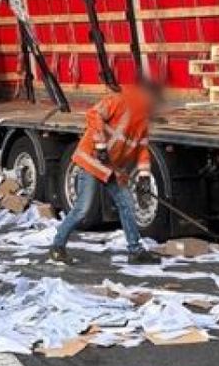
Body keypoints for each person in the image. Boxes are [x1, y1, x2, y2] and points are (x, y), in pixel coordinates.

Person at [49, 81, 163, 266]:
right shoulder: (118, 101)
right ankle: (57, 246)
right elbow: (94, 114)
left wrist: (143, 176)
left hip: (112, 169)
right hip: (92, 161)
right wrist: (101, 145)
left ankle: (135, 251)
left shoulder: (143, 122)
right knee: (82, 210)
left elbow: (142, 149)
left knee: (127, 204)